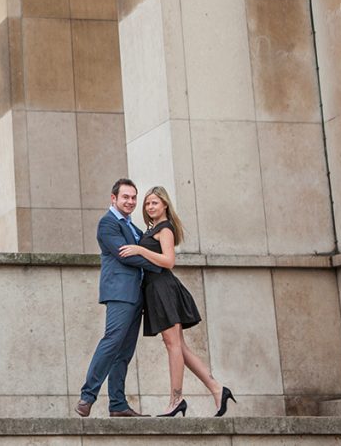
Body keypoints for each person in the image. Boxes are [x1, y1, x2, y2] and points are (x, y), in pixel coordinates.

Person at [118, 186, 235, 417]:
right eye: (148, 203)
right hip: (156, 290)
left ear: (165, 206)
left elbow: (169, 261)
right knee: (179, 346)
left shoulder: (165, 229)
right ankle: (217, 388)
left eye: (155, 203)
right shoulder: (153, 229)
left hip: (163, 289)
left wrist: (140, 250)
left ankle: (176, 399)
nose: (150, 206)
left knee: (173, 346)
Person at [77, 179, 161, 418]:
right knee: (112, 341)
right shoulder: (108, 223)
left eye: (134, 197)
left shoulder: (133, 227)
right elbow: (126, 256)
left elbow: (137, 251)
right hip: (120, 293)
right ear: (113, 198)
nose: (131, 202)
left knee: (124, 352)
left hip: (137, 295)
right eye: (126, 197)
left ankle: (118, 405)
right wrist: (160, 263)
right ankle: (87, 396)